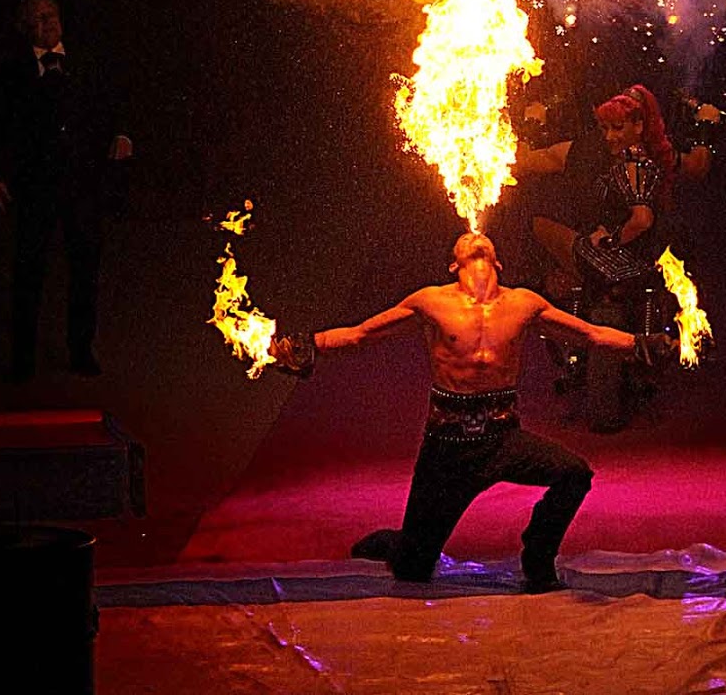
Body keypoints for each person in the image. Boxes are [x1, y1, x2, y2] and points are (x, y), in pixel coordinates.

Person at [269, 230, 675, 591]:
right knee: (412, 568)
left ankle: (537, 561)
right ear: (453, 263)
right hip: (447, 450)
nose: (474, 236)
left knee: (574, 474)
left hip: (503, 439)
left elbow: (591, 334)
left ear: (498, 261)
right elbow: (360, 334)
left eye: (482, 241)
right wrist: (310, 343)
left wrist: (644, 343)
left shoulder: (524, 303)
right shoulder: (430, 301)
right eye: (464, 241)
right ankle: (399, 542)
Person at [0, 0, 132, 380]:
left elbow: (111, 101)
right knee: (28, 273)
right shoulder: (12, 74)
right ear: (25, 29)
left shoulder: (85, 62)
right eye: (38, 19)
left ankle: (81, 350)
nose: (48, 23)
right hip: (36, 188)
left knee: (85, 272)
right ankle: (22, 359)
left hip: (82, 186)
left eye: (51, 15)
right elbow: (0, 127)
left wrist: (120, 133)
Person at [530, 83, 677, 430]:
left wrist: (609, 240)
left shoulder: (633, 164)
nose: (609, 136)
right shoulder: (640, 159)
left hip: (620, 264)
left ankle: (569, 288)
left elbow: (642, 219)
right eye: (604, 128)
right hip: (632, 262)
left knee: (539, 224)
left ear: (638, 126)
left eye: (617, 128)